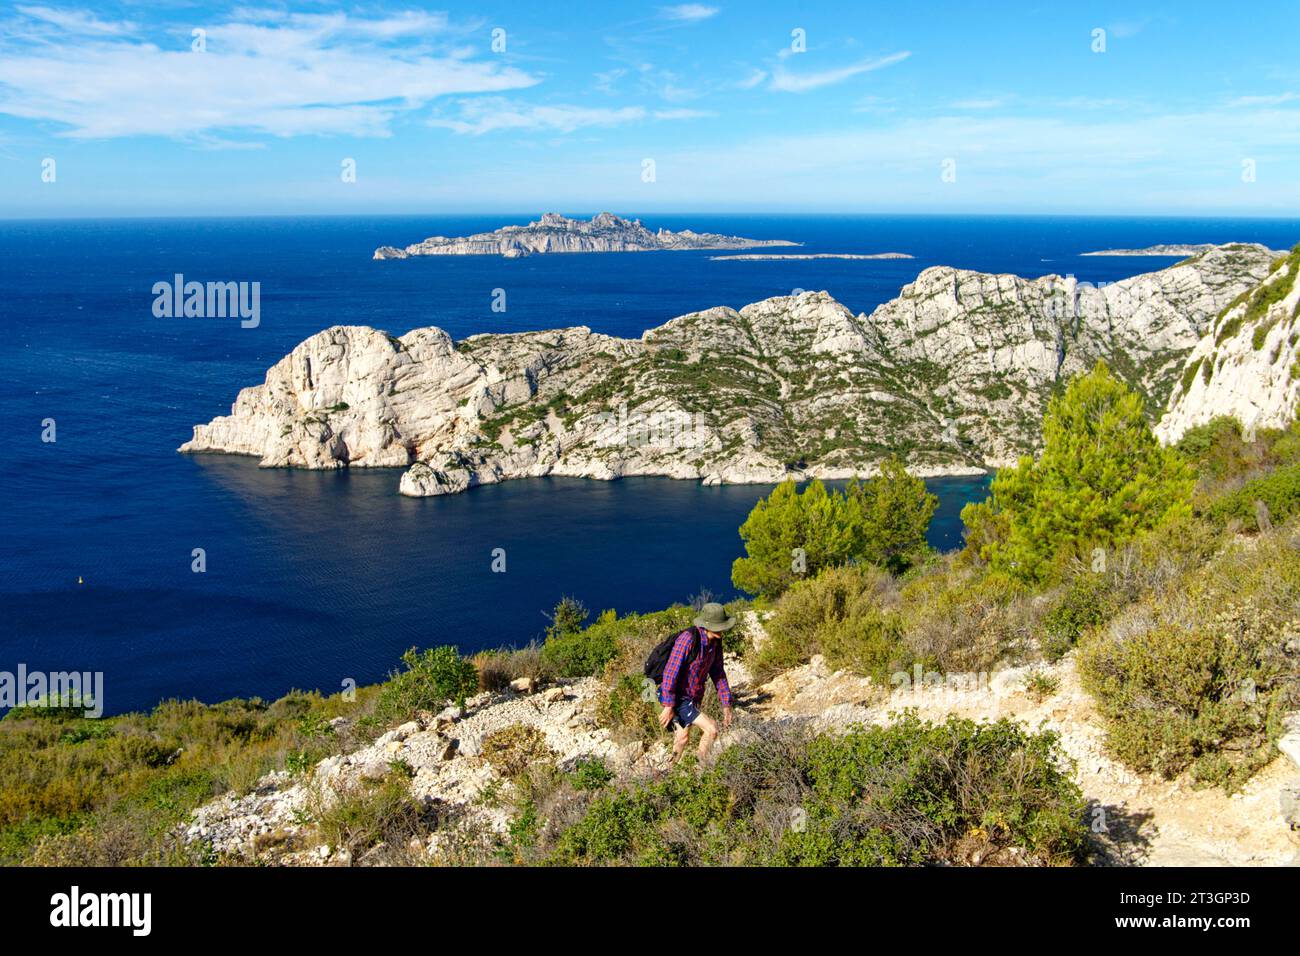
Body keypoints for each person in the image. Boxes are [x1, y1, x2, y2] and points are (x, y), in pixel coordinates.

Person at [657, 602, 736, 762]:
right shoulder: (687, 640)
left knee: (682, 738)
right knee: (712, 729)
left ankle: (670, 773)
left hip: (692, 698)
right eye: (717, 626)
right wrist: (668, 705)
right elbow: (670, 673)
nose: (721, 630)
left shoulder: (715, 642)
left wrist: (726, 704)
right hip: (677, 697)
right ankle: (701, 771)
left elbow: (718, 673)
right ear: (706, 625)